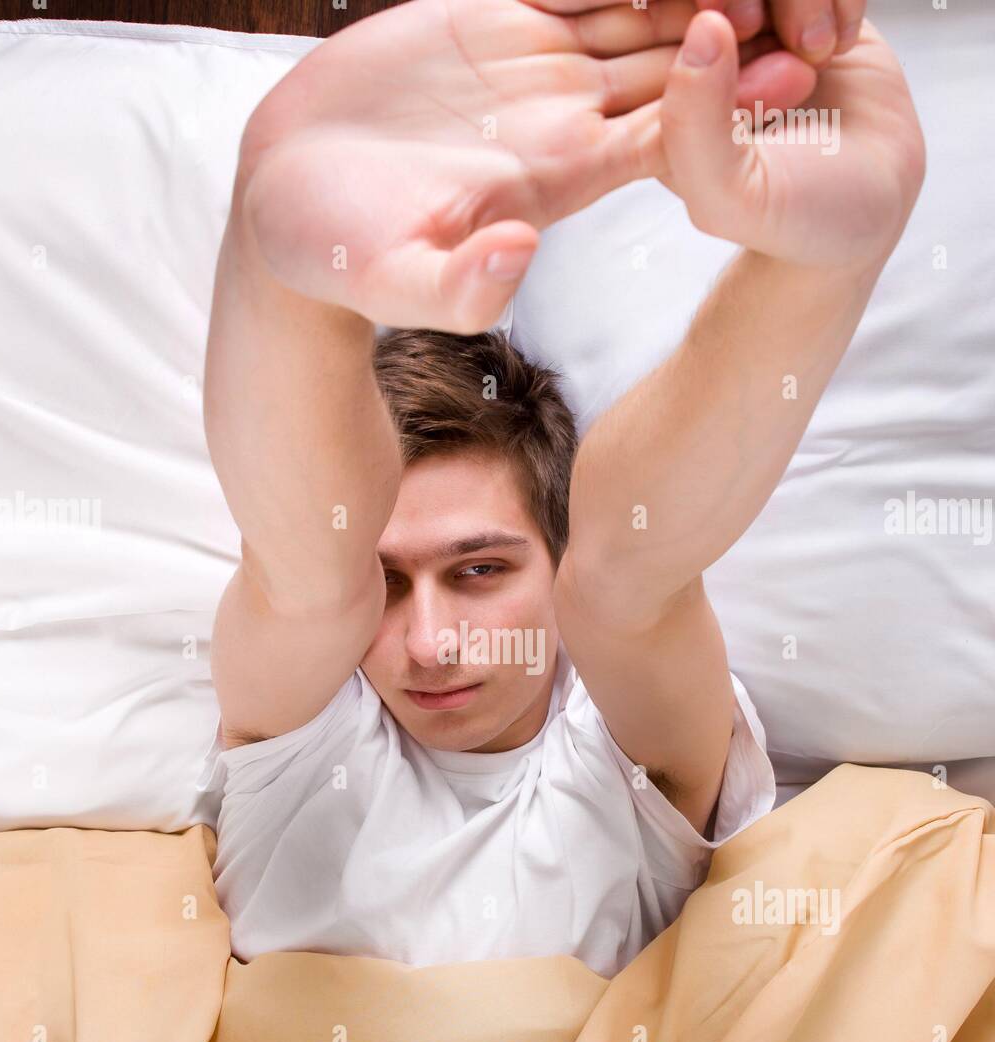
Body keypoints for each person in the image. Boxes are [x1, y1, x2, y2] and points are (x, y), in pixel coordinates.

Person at [197, 0, 924, 975]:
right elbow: (306, 564)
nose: (431, 641)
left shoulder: (620, 758)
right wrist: (284, 270)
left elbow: (630, 567)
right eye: (390, 584)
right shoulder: (297, 749)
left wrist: (827, 264)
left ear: (551, 564)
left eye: (482, 568)